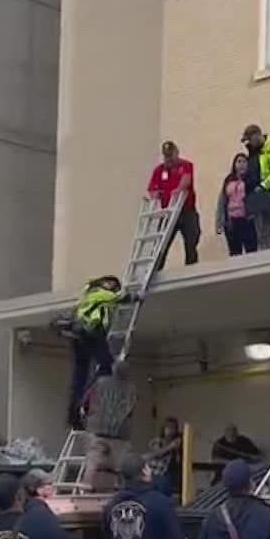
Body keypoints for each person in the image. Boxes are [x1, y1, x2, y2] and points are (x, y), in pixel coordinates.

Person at [66, 275, 131, 430]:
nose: (114, 288)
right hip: (91, 333)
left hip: (83, 336)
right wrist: (133, 296)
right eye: (112, 285)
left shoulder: (91, 294)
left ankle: (75, 414)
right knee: (106, 366)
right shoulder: (98, 293)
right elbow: (119, 297)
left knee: (81, 375)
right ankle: (86, 398)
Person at [147, 140, 200, 267]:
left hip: (186, 210)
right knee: (161, 245)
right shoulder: (159, 170)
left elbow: (186, 180)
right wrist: (155, 195)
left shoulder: (186, 166)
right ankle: (156, 269)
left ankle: (191, 268)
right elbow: (152, 189)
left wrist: (177, 191)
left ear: (176, 153)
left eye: (171, 155)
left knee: (191, 240)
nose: (168, 159)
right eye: (166, 156)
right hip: (168, 213)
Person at [241, 124, 270, 249]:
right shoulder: (254, 152)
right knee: (259, 232)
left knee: (264, 231)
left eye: (250, 139)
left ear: (257, 135)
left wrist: (264, 185)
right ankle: (264, 254)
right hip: (256, 195)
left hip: (267, 194)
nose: (249, 143)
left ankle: (267, 257)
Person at [220, 154, 258, 256]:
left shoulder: (252, 179)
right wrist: (220, 221)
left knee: (251, 250)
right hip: (231, 220)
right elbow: (222, 200)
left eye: (244, 162)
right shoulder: (229, 179)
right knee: (234, 252)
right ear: (234, 164)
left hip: (247, 219)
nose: (241, 165)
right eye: (239, 162)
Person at [145, 417, 185, 501]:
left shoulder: (175, 443)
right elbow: (157, 453)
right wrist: (171, 447)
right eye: (168, 427)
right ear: (163, 429)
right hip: (156, 474)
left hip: (167, 476)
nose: (171, 430)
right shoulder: (157, 441)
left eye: (173, 428)